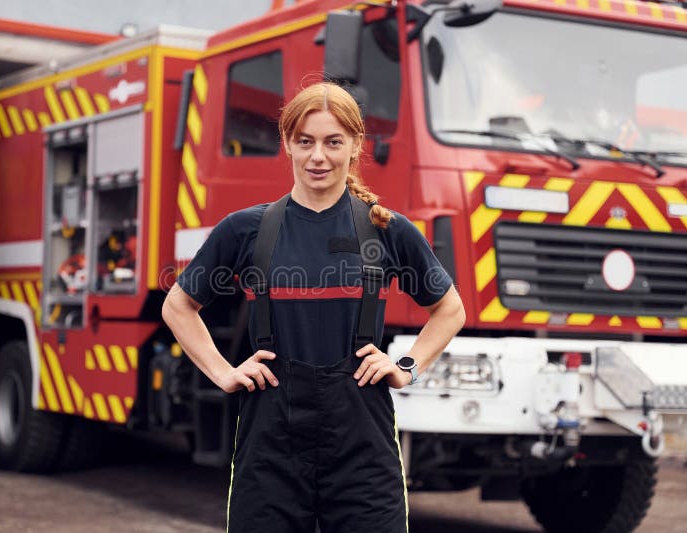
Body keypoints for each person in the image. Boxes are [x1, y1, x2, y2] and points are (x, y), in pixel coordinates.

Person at [161, 82, 465, 533]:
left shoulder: (387, 231)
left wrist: (406, 366)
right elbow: (178, 306)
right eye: (305, 141)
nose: (317, 156)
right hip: (270, 445)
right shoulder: (245, 230)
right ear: (287, 144)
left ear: (356, 145)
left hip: (362, 444)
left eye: (332, 142)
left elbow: (450, 310)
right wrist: (224, 372)